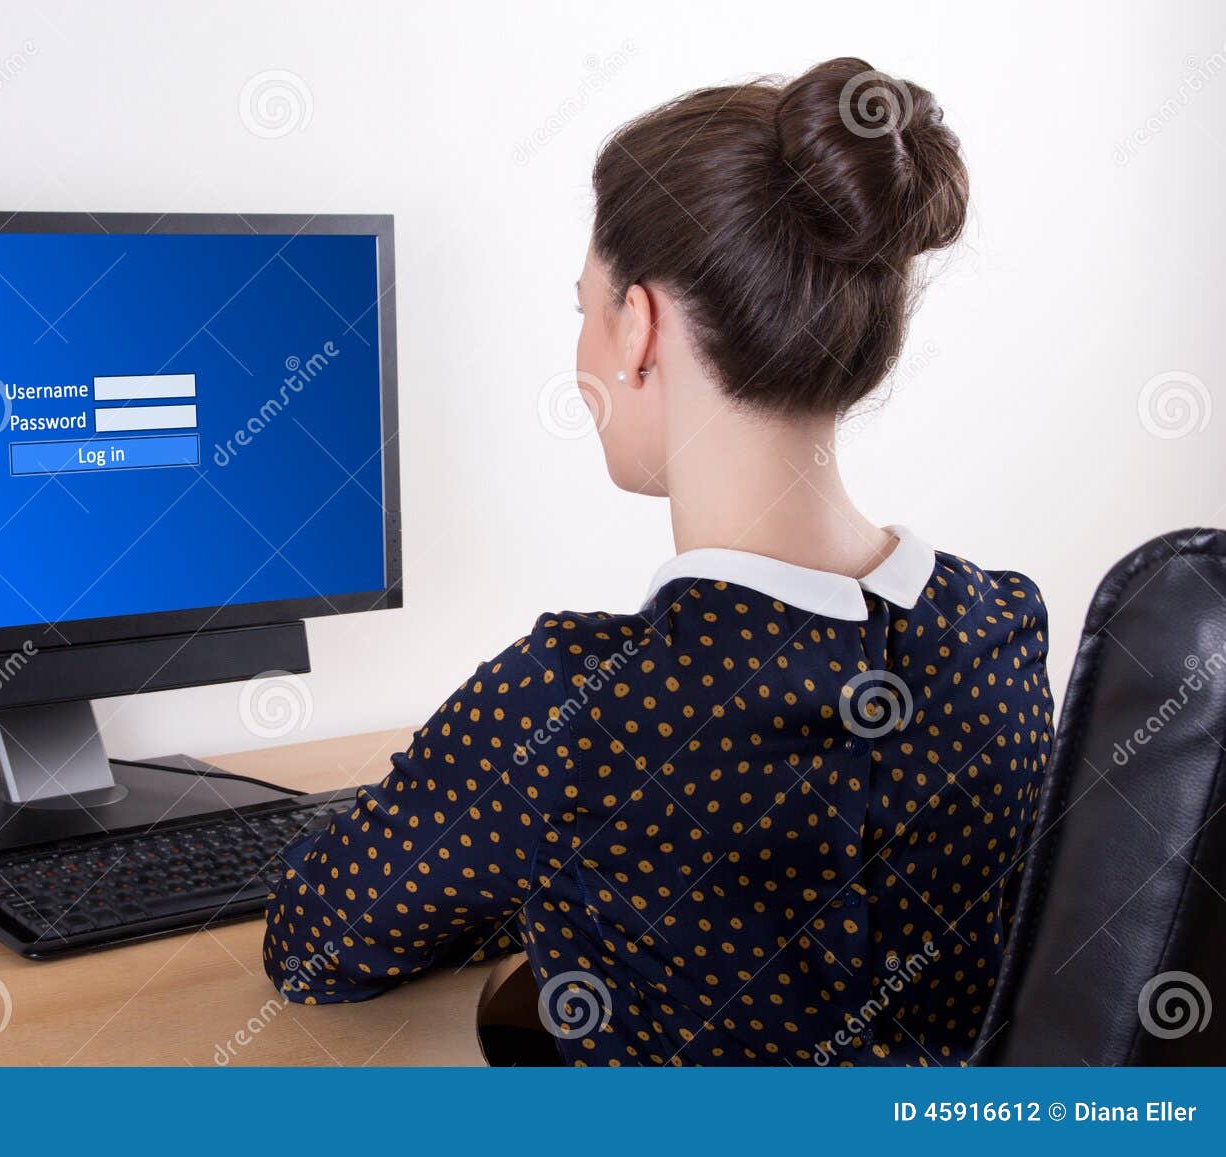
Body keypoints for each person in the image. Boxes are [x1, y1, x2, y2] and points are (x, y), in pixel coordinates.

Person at [262, 57, 1053, 1066]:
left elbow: (313, 947)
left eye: (584, 308)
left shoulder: (569, 706)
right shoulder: (1001, 634)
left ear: (637, 328)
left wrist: (528, 871)